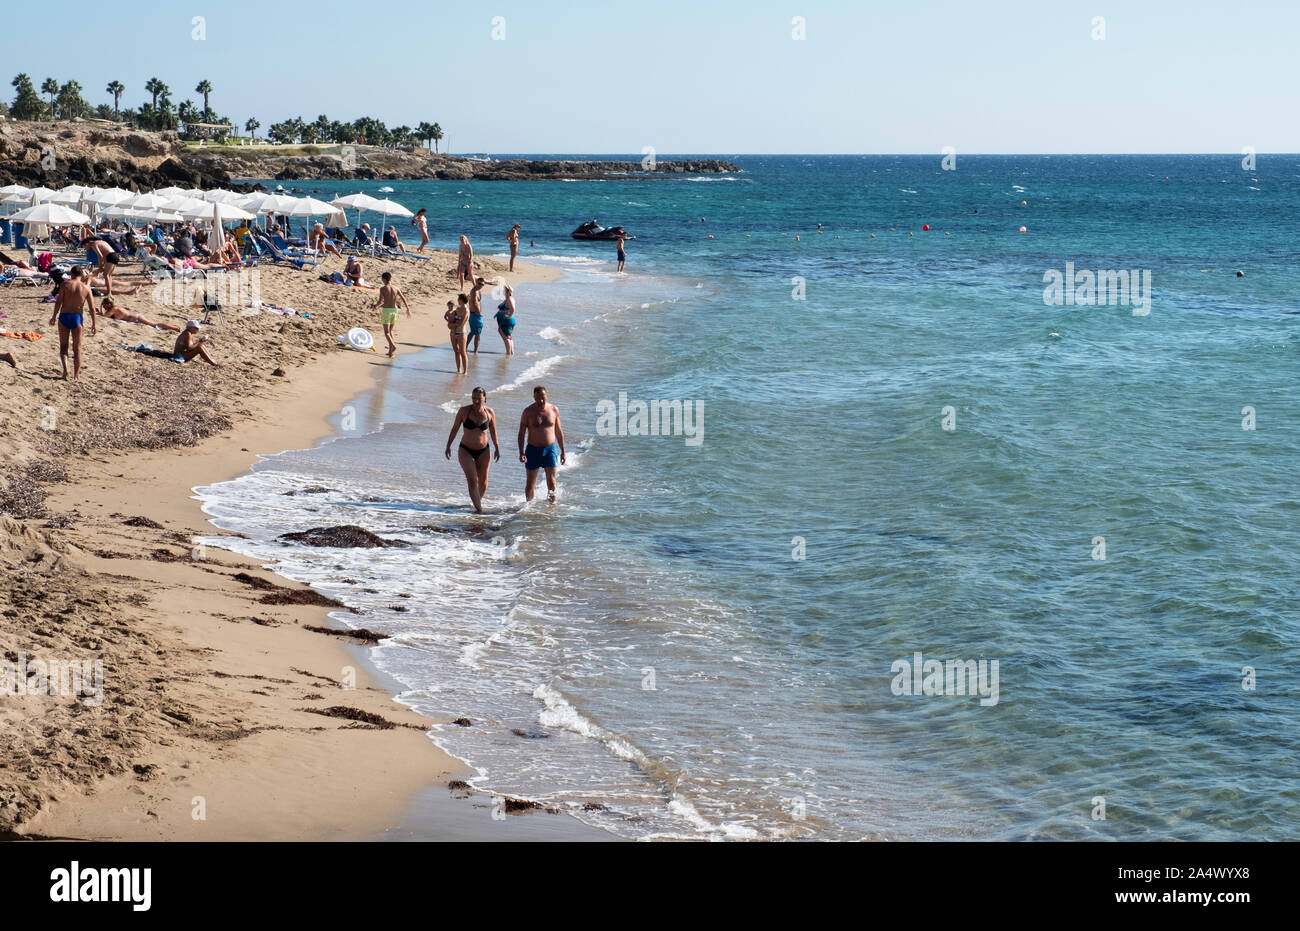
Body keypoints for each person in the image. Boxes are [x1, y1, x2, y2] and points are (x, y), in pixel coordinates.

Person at [444, 386, 500, 513]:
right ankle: (479, 510)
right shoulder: (464, 411)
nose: (476, 401)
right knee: (472, 479)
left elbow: (493, 431)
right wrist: (448, 446)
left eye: (479, 399)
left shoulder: (490, 413)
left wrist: (497, 447)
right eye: (474, 398)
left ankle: (475, 502)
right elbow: (455, 429)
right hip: (466, 450)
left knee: (484, 482)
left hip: (484, 450)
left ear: (485, 398)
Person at [518, 385, 566, 502]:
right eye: (538, 397)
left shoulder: (554, 410)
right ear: (534, 397)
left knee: (552, 482)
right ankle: (528, 507)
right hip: (533, 450)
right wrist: (521, 452)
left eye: (543, 397)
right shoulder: (528, 412)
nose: (540, 400)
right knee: (530, 483)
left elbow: (559, 432)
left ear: (546, 396)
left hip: (550, 449)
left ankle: (552, 508)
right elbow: (521, 434)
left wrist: (563, 451)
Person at [49, 266, 97, 380]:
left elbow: (58, 302)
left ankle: (65, 370)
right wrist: (94, 324)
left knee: (63, 347)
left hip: (64, 316)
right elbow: (92, 308)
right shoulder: (86, 288)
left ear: (71, 274)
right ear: (82, 275)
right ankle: (76, 375)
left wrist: (53, 317)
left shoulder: (65, 285)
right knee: (77, 349)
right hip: (77, 318)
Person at [372, 271, 410, 358]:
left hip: (386, 311)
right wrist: (408, 308)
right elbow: (403, 298)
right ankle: (390, 352)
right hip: (395, 310)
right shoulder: (396, 288)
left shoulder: (383, 288)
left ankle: (393, 346)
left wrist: (375, 306)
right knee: (391, 331)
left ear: (384, 279)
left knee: (386, 332)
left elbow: (381, 301)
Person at [100, 297, 180, 331]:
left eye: (104, 305)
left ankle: (175, 328)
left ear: (109, 304)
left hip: (137, 318)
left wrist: (100, 308)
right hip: (137, 318)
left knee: (155, 325)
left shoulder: (114, 309)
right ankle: (174, 328)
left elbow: (105, 316)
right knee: (155, 324)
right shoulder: (114, 308)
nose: (104, 307)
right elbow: (107, 314)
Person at [444, 296, 469, 374]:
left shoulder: (466, 310)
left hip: (461, 333)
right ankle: (459, 370)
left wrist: (451, 325)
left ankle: (465, 371)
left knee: (463, 352)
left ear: (461, 300)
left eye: (458, 299)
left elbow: (461, 323)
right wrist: (449, 322)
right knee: (456, 351)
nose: (457, 301)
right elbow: (451, 317)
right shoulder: (457, 309)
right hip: (452, 333)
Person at [494, 285, 516, 355]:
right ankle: (511, 353)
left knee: (506, 338)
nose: (503, 291)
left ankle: (508, 354)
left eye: (505, 290)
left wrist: (509, 316)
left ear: (508, 292)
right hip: (506, 320)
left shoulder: (509, 299)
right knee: (509, 337)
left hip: (506, 320)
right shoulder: (508, 299)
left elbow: (513, 309)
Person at [466, 277, 486, 355]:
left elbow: (478, 302)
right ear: (476, 282)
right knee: (477, 333)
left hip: (475, 314)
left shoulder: (478, 291)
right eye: (479, 283)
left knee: (473, 332)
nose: (481, 285)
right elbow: (475, 303)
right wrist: (479, 313)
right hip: (475, 314)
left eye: (482, 284)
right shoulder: (474, 291)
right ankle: (475, 351)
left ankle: (465, 347)